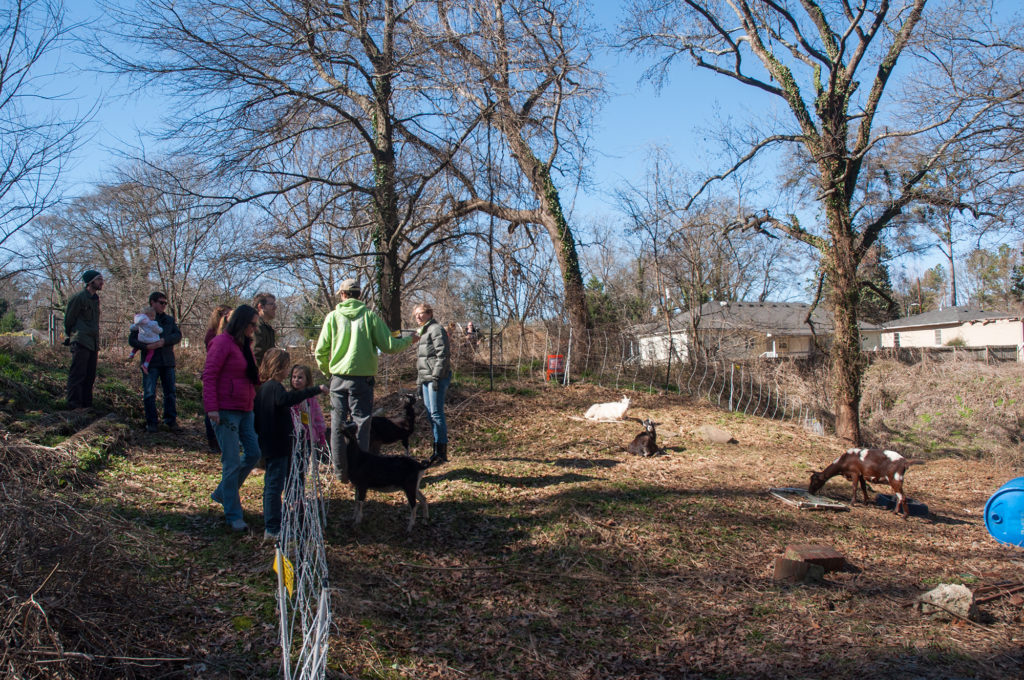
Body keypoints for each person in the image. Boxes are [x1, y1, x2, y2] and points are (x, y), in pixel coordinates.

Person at [315, 279, 418, 480]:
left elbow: (320, 351)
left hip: (338, 378)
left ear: (342, 295)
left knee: (337, 426)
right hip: (362, 380)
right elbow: (389, 345)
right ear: (359, 295)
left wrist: (328, 373)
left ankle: (340, 472)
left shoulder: (333, 317)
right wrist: (410, 340)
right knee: (362, 424)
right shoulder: (370, 317)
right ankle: (359, 472)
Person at [254, 349, 328, 541]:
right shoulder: (274, 389)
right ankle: (272, 528)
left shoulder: (264, 389)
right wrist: (315, 389)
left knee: (274, 484)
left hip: (271, 445)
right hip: (277, 446)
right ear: (279, 367)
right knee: (273, 486)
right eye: (287, 368)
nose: (289, 372)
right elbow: (288, 400)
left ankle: (280, 520)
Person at [203, 304, 262, 531]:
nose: (255, 329)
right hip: (225, 410)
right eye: (252, 325)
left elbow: (250, 377)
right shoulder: (221, 343)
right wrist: (212, 409)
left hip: (246, 409)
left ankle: (223, 493)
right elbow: (209, 376)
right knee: (231, 462)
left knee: (254, 452)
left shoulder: (244, 346)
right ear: (241, 322)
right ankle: (234, 515)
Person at [129, 292, 182, 433]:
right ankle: (152, 422)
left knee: (170, 392)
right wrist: (147, 347)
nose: (164, 305)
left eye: (165, 303)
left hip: (167, 361)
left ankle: (170, 421)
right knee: (149, 393)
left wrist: (165, 341)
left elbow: (177, 335)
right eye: (161, 302)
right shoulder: (142, 319)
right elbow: (132, 340)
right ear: (152, 302)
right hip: (150, 362)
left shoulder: (169, 320)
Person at [413, 304, 452, 464]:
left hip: (437, 377)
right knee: (430, 414)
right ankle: (436, 452)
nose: (417, 317)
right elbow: (422, 360)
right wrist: (419, 381)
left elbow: (442, 355)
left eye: (420, 313)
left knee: (436, 413)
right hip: (426, 378)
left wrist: (436, 376)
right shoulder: (423, 331)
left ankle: (441, 453)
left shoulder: (435, 329)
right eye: (415, 315)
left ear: (429, 313)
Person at [64, 269, 104, 409]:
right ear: (90, 281)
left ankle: (87, 405)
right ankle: (74, 404)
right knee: (78, 374)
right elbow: (69, 319)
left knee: (90, 375)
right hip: (80, 340)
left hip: (93, 342)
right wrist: (71, 335)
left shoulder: (95, 299)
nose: (102, 282)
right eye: (99, 279)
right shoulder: (79, 297)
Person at [203, 304, 233, 451]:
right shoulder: (213, 335)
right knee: (211, 409)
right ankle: (213, 441)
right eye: (227, 315)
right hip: (215, 376)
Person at [289, 364, 328, 451]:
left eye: (300, 377)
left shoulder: (311, 399)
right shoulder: (289, 397)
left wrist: (322, 439)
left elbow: (318, 419)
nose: (296, 380)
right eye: (294, 377)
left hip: (308, 436)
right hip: (293, 436)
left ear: (307, 380)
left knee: (304, 460)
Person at [128, 306, 162, 374]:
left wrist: (132, 327)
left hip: (141, 339)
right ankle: (145, 364)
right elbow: (158, 330)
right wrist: (161, 330)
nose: (154, 318)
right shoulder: (153, 323)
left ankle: (132, 354)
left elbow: (133, 328)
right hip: (150, 341)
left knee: (137, 346)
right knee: (151, 352)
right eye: (152, 316)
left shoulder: (140, 323)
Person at [252, 292, 277, 367]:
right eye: (272, 304)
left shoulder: (267, 327)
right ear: (261, 307)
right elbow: (255, 355)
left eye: (275, 304)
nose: (275, 307)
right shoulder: (255, 327)